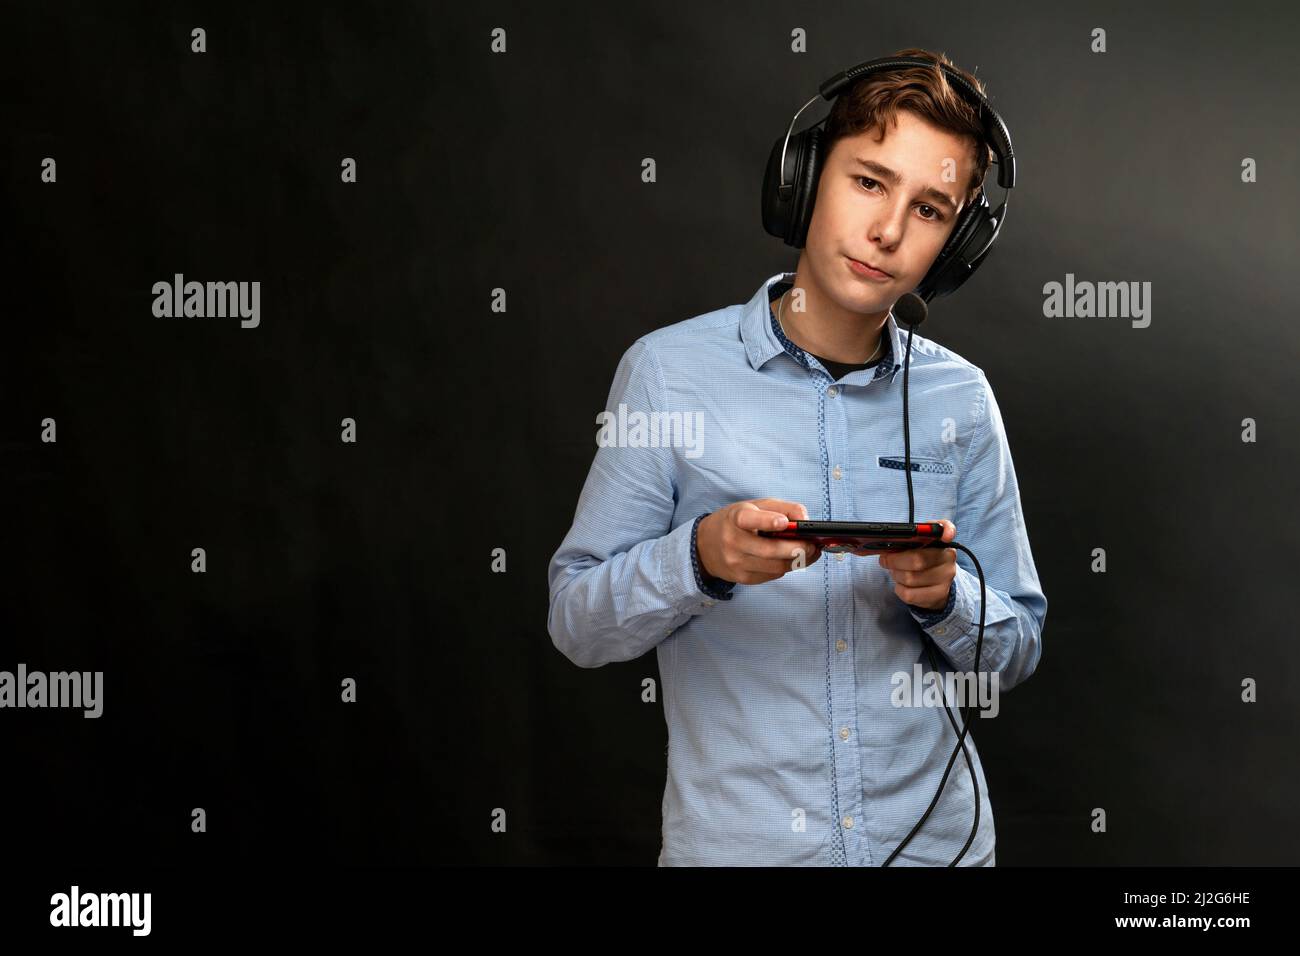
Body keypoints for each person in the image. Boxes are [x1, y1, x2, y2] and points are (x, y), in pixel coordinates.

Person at [547, 48, 1047, 866]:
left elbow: (1017, 645)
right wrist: (700, 558)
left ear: (958, 245)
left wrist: (947, 596)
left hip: (939, 852)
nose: (887, 231)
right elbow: (577, 623)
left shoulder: (963, 399)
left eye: (929, 211)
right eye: (869, 182)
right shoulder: (667, 375)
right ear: (804, 179)